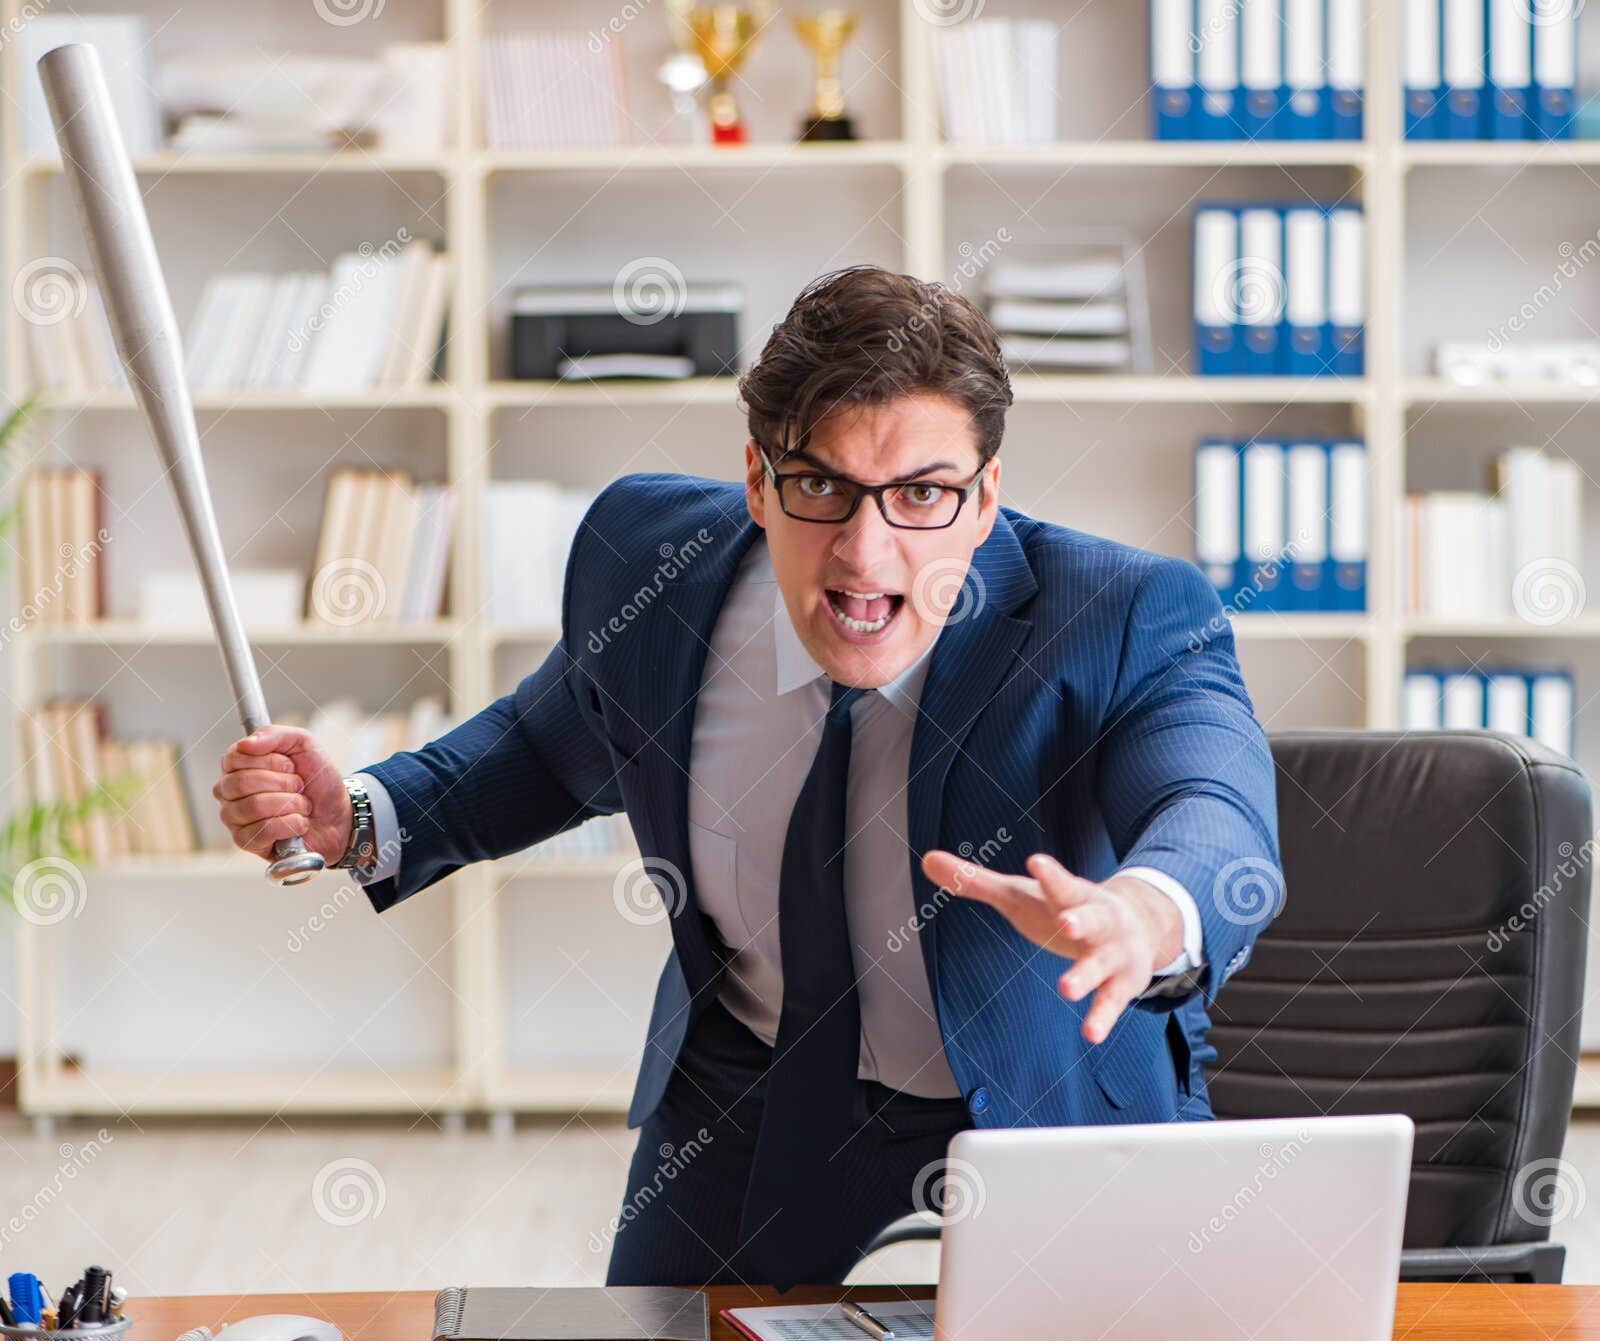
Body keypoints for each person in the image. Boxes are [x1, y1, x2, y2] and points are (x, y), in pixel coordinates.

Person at [213, 265, 1282, 1289]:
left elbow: (1211, 803)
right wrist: (354, 811)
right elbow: (548, 746)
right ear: (758, 480)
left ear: (986, 494)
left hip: (1037, 1110)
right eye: (821, 483)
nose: (866, 553)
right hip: (746, 1099)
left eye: (921, 491)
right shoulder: (652, 567)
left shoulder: (1117, 613)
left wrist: (1149, 911)